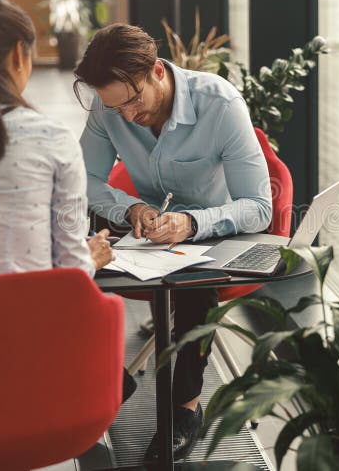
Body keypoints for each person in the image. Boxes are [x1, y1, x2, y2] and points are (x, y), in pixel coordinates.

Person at [75, 23, 272, 461]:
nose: (126, 116)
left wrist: (191, 222)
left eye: (133, 101)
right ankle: (108, 380)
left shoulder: (219, 104)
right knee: (74, 262)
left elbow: (259, 206)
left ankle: (185, 408)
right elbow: (83, 179)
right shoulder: (109, 107)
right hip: (143, 227)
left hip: (214, 233)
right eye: (115, 107)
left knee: (193, 285)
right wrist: (129, 209)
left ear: (157, 72)